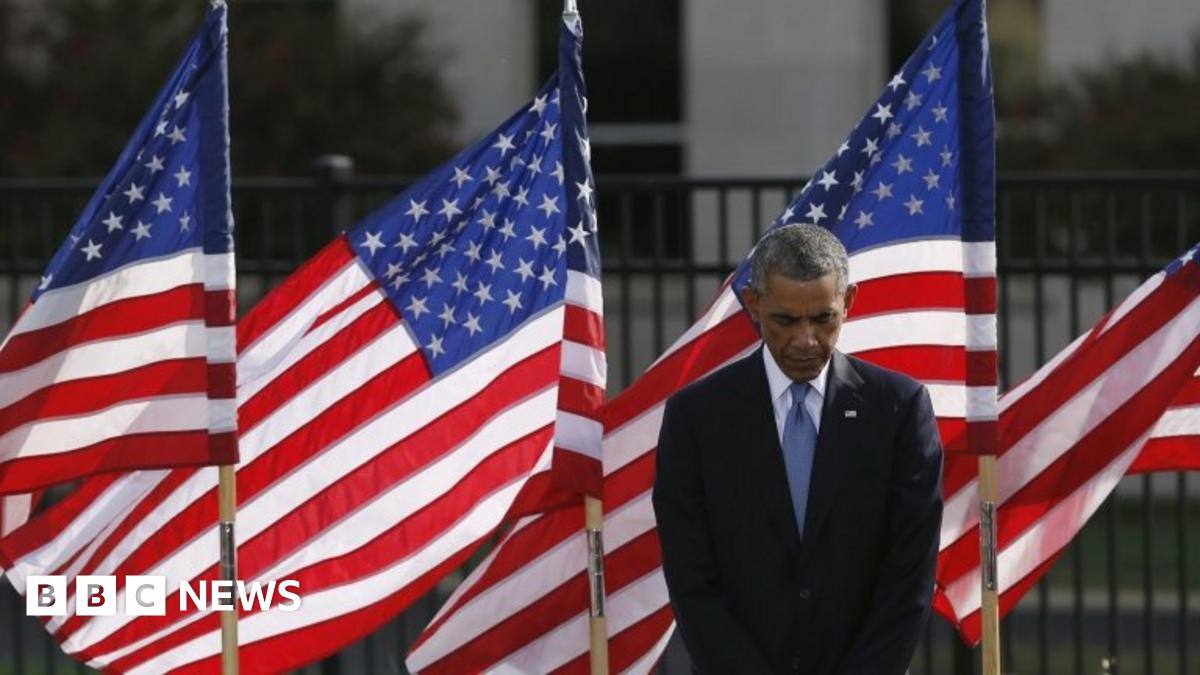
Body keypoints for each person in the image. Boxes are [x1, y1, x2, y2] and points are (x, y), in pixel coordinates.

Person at [652, 223, 943, 675]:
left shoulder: (899, 410)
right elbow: (693, 582)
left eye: (823, 318)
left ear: (847, 303)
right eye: (786, 320)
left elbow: (909, 577)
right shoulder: (697, 419)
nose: (806, 340)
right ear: (754, 304)